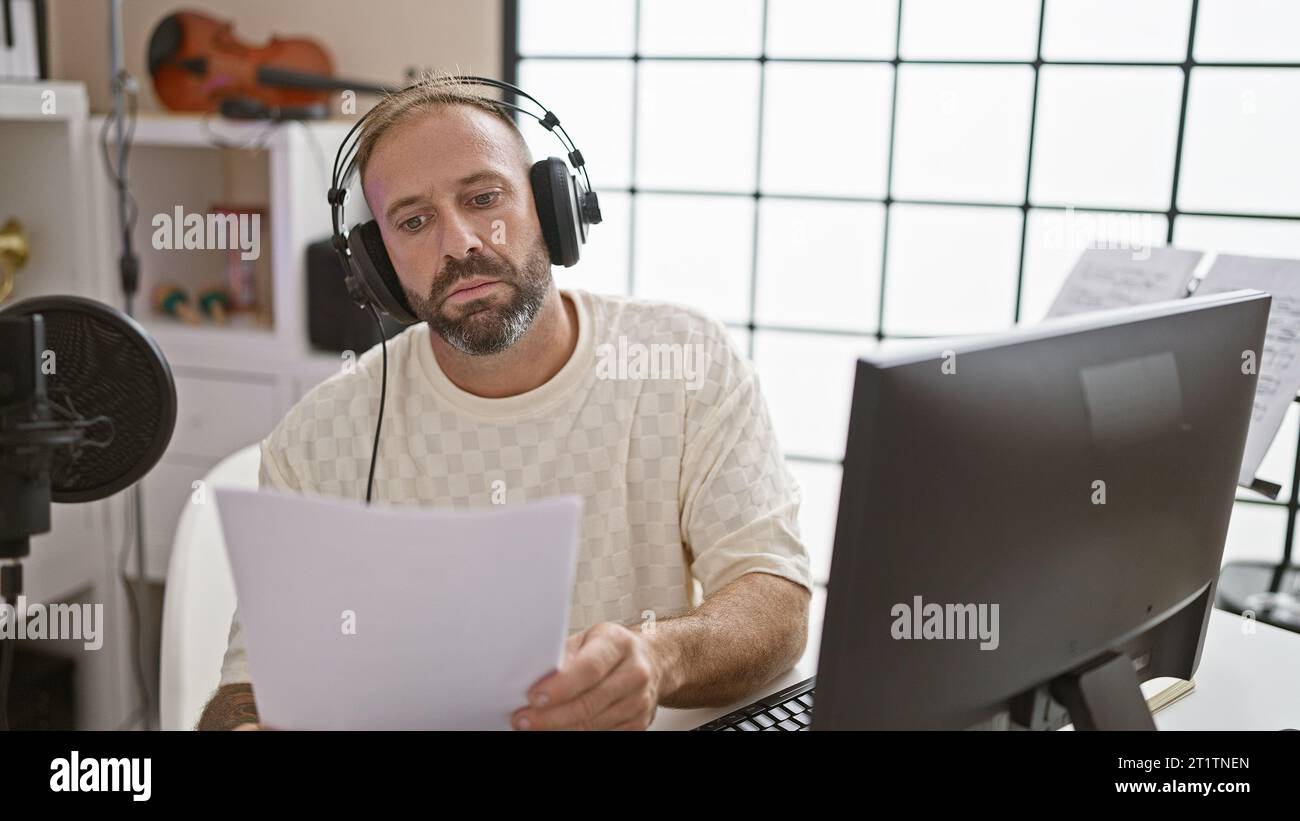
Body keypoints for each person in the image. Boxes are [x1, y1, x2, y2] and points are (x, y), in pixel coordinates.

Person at [198, 73, 811, 731]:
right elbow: (246, 689)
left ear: (551, 207)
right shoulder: (316, 440)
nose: (459, 242)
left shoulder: (686, 361)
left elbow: (775, 597)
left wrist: (660, 656)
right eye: (413, 220)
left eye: (483, 197)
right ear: (377, 265)